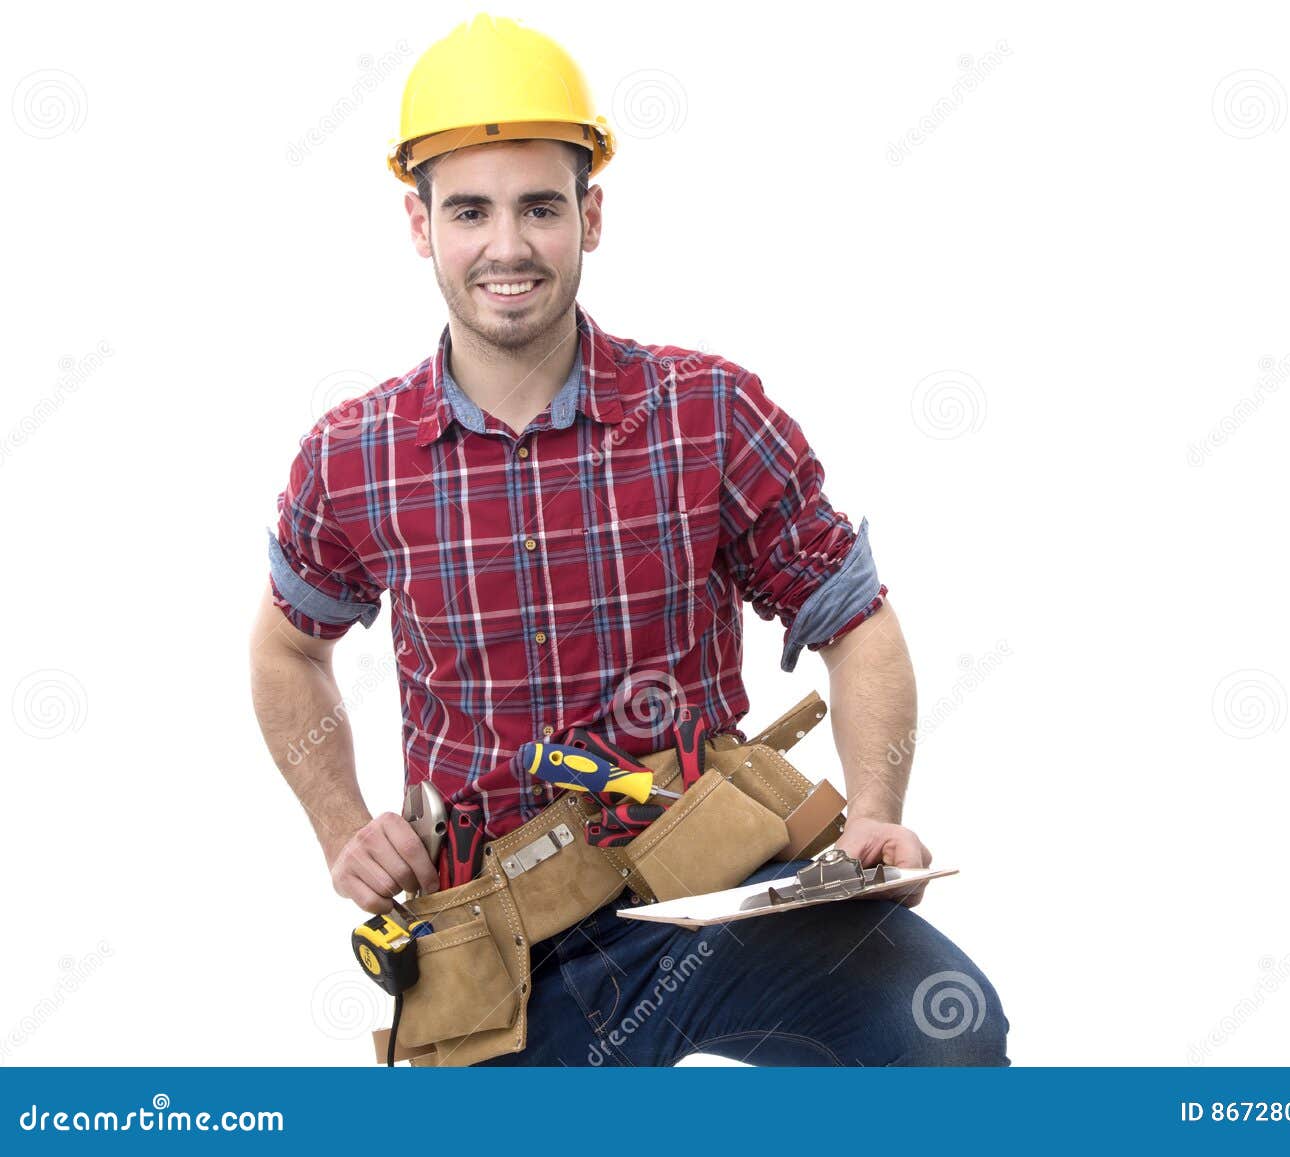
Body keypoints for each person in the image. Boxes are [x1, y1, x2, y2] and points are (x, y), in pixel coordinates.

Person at [249, 13, 1007, 1066]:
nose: (507, 246)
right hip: (497, 952)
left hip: (719, 892)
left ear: (590, 215)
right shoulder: (352, 457)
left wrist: (876, 812)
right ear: (419, 225)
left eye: (540, 207)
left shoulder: (707, 413)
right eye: (469, 210)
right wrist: (344, 830)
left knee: (943, 1029)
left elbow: (855, 618)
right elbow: (288, 648)